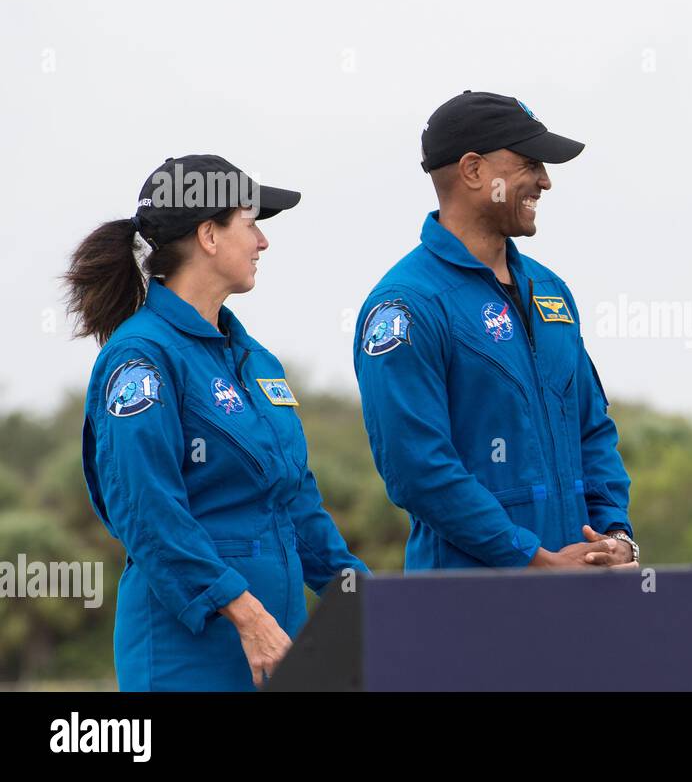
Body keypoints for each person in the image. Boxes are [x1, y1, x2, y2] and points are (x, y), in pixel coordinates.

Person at [67, 155, 367, 691]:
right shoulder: (141, 358)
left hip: (279, 645)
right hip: (190, 656)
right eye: (251, 224)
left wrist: (367, 601)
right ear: (208, 234)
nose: (263, 242)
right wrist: (246, 616)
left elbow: (297, 505)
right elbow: (147, 511)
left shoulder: (255, 360)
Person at [354, 91, 635, 570]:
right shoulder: (405, 306)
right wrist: (533, 560)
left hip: (578, 594)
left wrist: (616, 537)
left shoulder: (551, 291)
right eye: (530, 163)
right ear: (473, 170)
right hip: (466, 607)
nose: (545, 181)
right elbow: (418, 470)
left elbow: (592, 430)